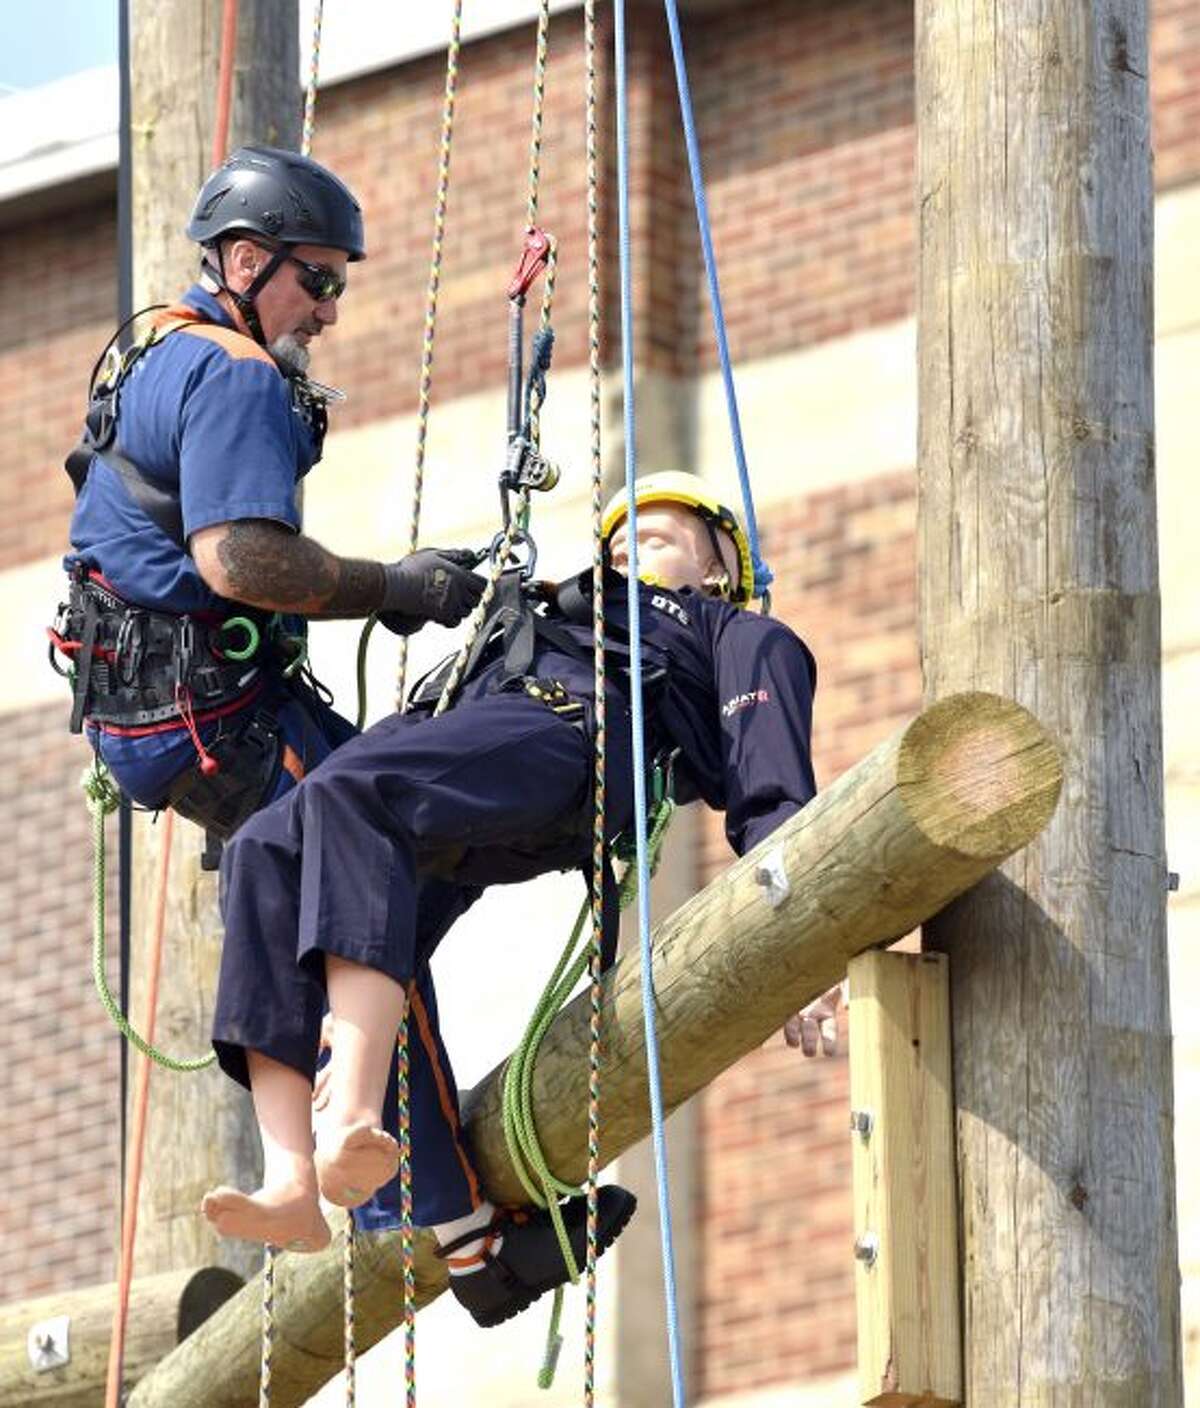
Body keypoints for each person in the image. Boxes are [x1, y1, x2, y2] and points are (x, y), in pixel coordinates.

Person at [200, 470, 821, 1330]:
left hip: (566, 733)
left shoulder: (736, 632)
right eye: (615, 538)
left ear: (718, 568)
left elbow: (774, 791)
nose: (624, 546)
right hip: (463, 743)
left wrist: (806, 946)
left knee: (352, 802)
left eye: (660, 536)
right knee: (265, 848)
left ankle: (348, 1117)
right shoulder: (549, 607)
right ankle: (297, 1180)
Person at [51, 144, 483, 841]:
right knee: (400, 837)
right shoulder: (235, 370)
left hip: (163, 709)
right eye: (320, 282)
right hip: (207, 717)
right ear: (247, 261)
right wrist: (396, 587)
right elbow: (241, 560)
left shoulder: (157, 348)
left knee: (375, 789)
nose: (329, 313)